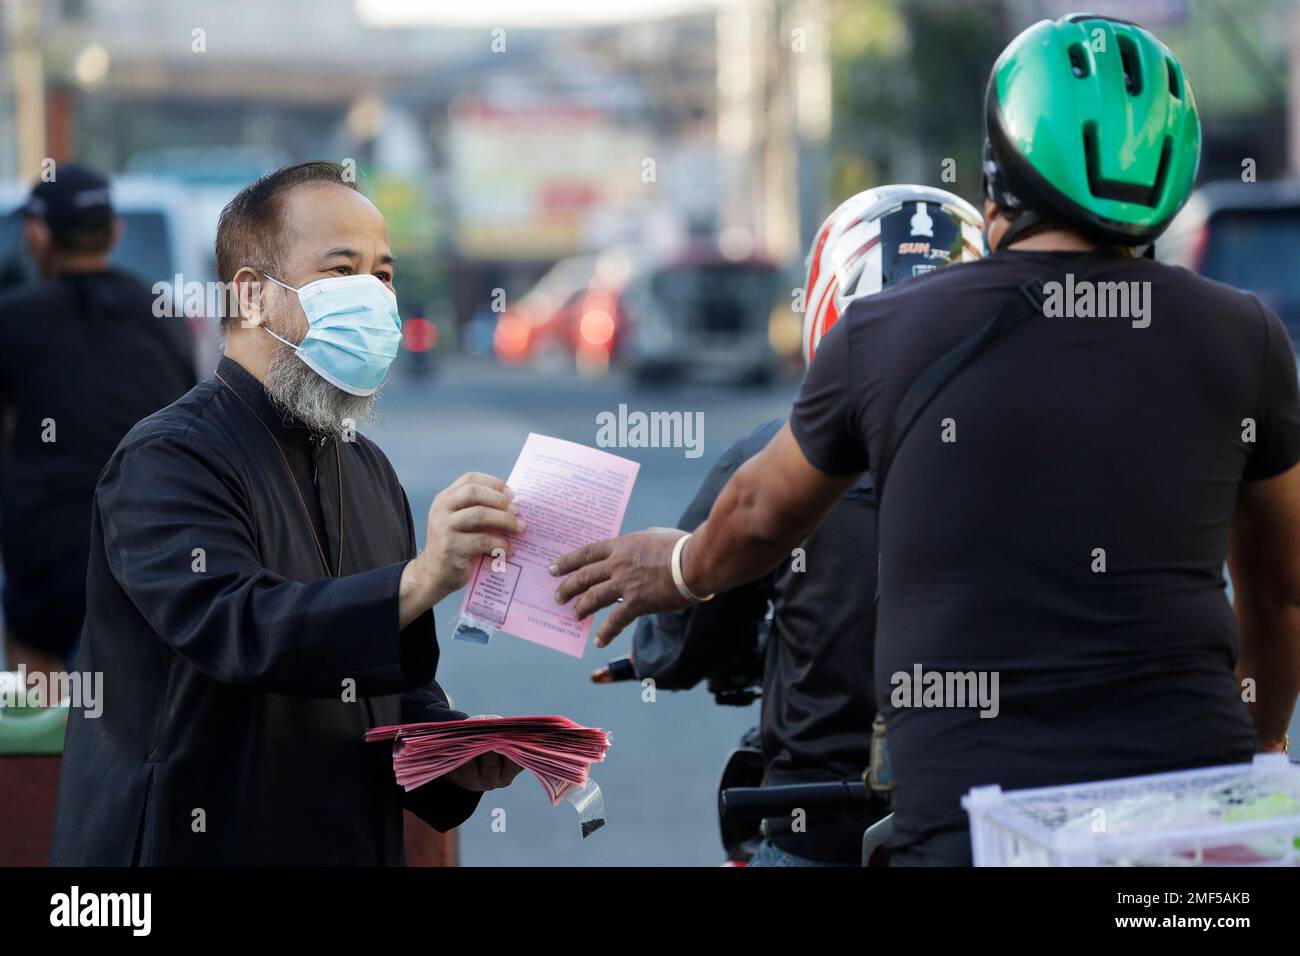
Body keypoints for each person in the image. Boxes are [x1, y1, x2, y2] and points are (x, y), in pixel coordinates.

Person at [551, 14, 1300, 866]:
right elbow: (1281, 591)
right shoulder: (1245, 337)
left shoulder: (885, 332)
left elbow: (758, 518)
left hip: (974, 830)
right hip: (1190, 819)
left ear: (998, 180)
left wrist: (680, 568)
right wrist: (1263, 741)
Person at [51, 161, 523, 865]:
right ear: (252, 296)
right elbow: (241, 625)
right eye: (343, 271)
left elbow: (389, 689)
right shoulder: (168, 458)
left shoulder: (365, 467)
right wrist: (421, 579)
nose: (374, 297)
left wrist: (452, 753)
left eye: (384, 275)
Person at [597, 187, 983, 866]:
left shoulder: (769, 460)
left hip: (821, 832)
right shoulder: (1048, 458)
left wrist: (658, 646)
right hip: (999, 827)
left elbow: (692, 630)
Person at [0, 165, 196, 675]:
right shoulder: (165, 316)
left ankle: (45, 746)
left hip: (47, 567)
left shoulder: (12, 320)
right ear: (114, 233)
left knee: (35, 676)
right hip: (156, 554)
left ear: (38, 235)